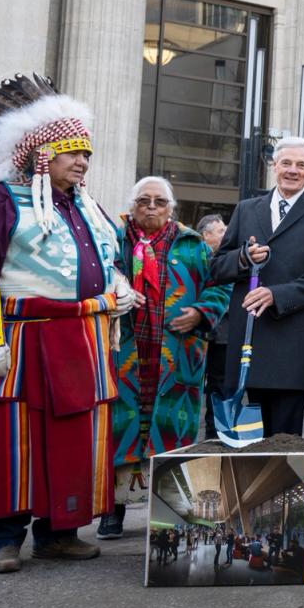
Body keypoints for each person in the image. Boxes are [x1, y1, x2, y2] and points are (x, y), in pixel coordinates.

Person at [0, 78, 136, 573]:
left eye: (86, 155)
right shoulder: (5, 200)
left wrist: (119, 285)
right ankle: (4, 538)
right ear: (42, 154)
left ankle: (60, 532)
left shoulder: (88, 206)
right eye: (72, 153)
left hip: (85, 339)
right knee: (15, 439)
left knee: (76, 440)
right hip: (26, 337)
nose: (83, 162)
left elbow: (105, 259)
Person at [102, 178, 231, 539]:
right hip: (126, 354)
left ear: (171, 207)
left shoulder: (192, 244)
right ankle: (112, 510)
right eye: (144, 200)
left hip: (177, 355)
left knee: (173, 433)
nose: (152, 206)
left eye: (160, 201)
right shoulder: (112, 241)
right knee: (121, 429)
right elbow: (95, 279)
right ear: (133, 205)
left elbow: (219, 286)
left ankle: (172, 514)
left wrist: (201, 311)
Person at [209, 137, 304, 437]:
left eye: (300, 165)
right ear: (273, 166)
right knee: (245, 444)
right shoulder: (246, 209)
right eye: (286, 163)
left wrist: (276, 295)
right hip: (248, 341)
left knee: (284, 441)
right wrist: (243, 257)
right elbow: (217, 268)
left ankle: (286, 486)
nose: (292, 170)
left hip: (290, 346)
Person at [195, 214, 230, 440]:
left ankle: (215, 436)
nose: (226, 234)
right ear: (206, 235)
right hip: (198, 335)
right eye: (221, 231)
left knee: (220, 388)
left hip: (224, 336)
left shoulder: (229, 258)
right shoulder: (194, 259)